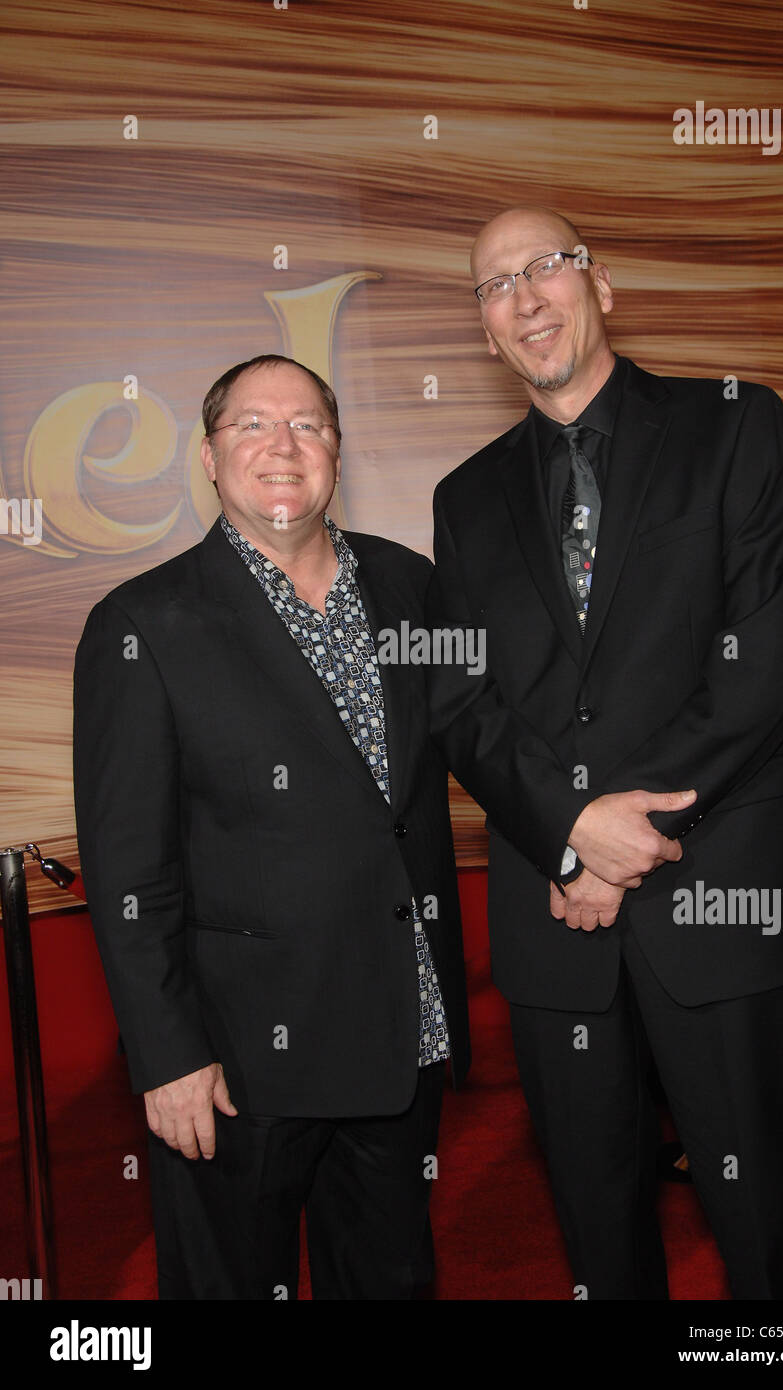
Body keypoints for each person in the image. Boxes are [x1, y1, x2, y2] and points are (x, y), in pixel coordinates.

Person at [426, 206, 783, 1300]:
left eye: (546, 267)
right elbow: (460, 698)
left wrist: (622, 837)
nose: (523, 297)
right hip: (552, 910)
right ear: (483, 330)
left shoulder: (732, 425)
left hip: (719, 888)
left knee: (770, 1208)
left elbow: (763, 666)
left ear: (601, 284)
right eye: (493, 285)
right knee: (593, 1213)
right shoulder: (464, 497)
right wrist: (569, 837)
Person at [74, 354, 469, 1300]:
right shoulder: (143, 623)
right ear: (209, 457)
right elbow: (131, 867)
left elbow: (483, 742)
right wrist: (168, 1056)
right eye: (251, 425)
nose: (282, 446)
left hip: (399, 1032)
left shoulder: (410, 585)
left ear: (337, 450)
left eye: (308, 424)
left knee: (389, 1280)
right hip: (241, 1058)